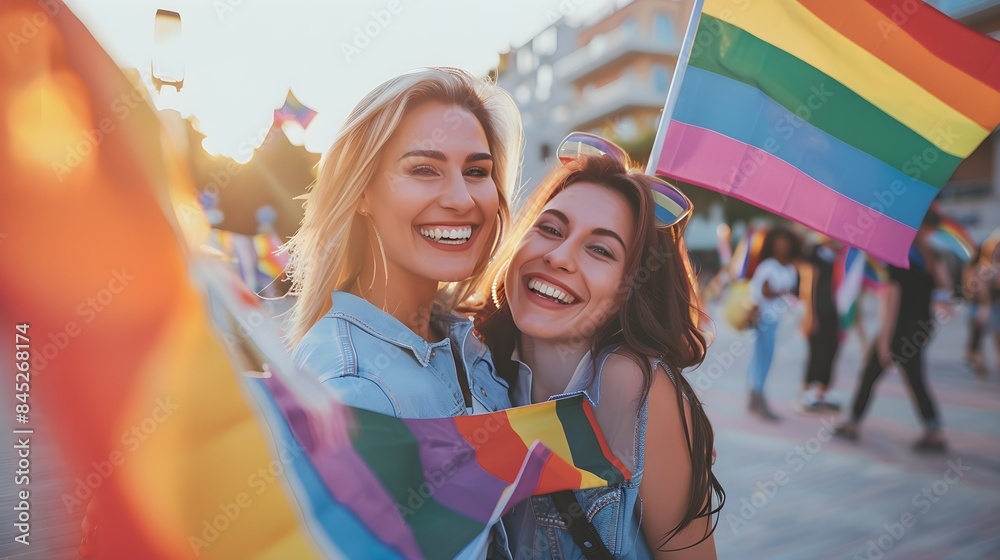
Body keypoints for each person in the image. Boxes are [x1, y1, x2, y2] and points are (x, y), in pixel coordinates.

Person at [474, 133, 722, 558]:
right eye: (550, 228)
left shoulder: (632, 386)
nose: (560, 256)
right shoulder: (471, 365)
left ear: (631, 291)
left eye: (601, 250)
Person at [834, 212, 953, 453]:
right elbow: (945, 288)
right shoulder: (932, 257)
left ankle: (853, 424)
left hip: (899, 326)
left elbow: (893, 298)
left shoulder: (901, 255)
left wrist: (884, 341)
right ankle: (935, 430)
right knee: (916, 379)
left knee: (870, 374)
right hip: (921, 325)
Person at [746, 226, 801, 421]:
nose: (782, 248)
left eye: (786, 244)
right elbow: (764, 291)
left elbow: (793, 293)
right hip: (764, 318)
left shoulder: (791, 268)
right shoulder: (768, 266)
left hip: (779, 320)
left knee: (764, 357)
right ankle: (758, 396)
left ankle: (755, 396)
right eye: (779, 244)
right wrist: (782, 292)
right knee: (763, 358)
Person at [797, 235, 843, 414]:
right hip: (818, 311)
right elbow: (807, 286)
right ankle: (806, 392)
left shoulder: (843, 255)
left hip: (836, 312)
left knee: (832, 349)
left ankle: (823, 391)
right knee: (815, 350)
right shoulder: (813, 253)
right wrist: (809, 315)